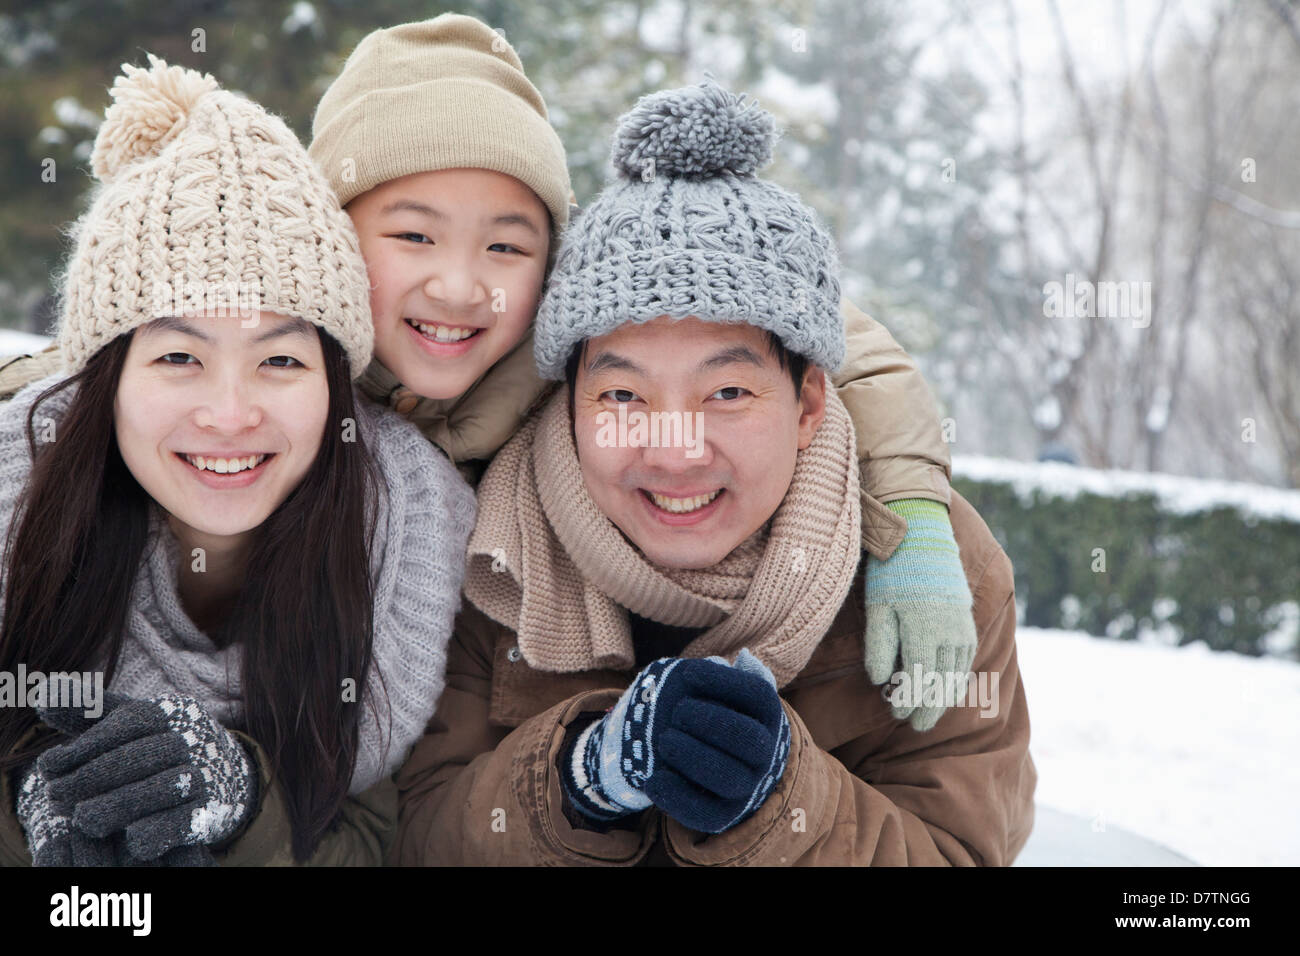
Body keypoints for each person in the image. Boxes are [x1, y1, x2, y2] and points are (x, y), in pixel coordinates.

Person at [0, 14, 974, 728]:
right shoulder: (271, 356)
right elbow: (124, 347)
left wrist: (914, 519)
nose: (460, 286)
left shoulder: (570, 348)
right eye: (413, 233)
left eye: (507, 246)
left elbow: (832, 336)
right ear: (331, 238)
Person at [391, 80, 1036, 865]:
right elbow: (414, 832)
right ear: (566, 405)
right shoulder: (484, 544)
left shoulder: (934, 572)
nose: (674, 451)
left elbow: (961, 850)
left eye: (727, 392)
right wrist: (579, 779)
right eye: (623, 393)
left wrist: (779, 795)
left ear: (806, 406)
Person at [0, 56, 475, 866]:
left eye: (280, 362)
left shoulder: (406, 528)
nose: (229, 414)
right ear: (105, 379)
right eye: (180, 357)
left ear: (337, 387)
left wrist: (243, 797)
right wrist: (30, 811)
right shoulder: (18, 495)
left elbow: (377, 833)